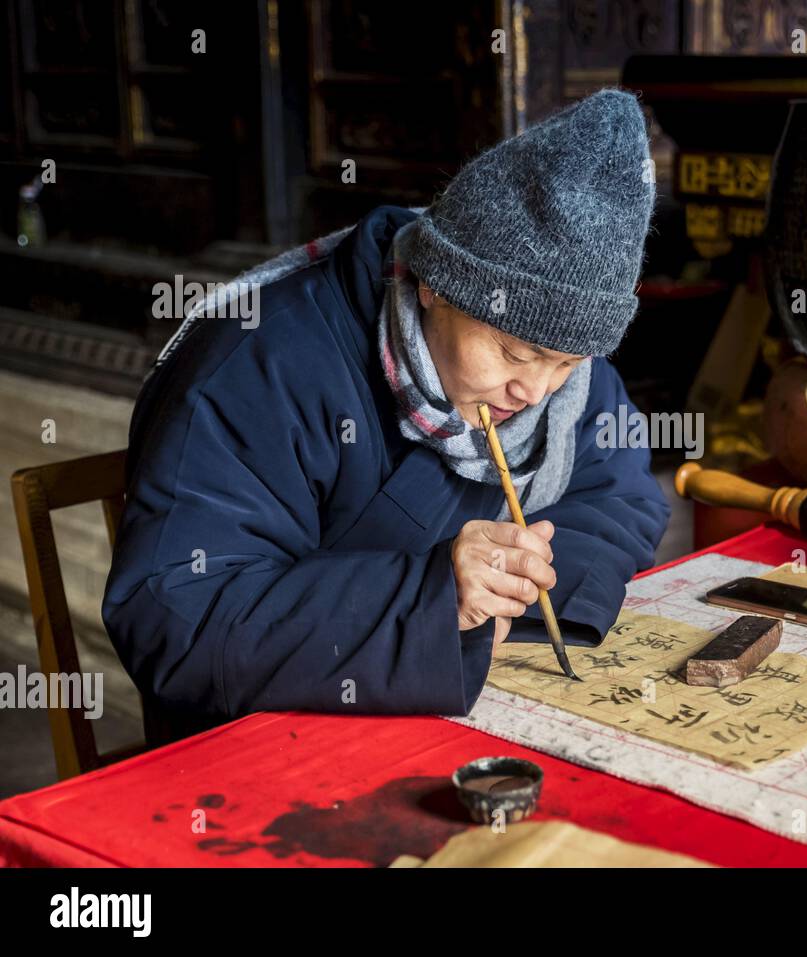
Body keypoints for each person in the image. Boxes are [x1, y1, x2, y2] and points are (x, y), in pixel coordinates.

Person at [103, 89, 669, 742]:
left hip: (456, 707)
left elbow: (620, 491)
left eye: (567, 365)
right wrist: (429, 597)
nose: (538, 390)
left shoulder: (556, 365)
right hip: (257, 745)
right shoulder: (262, 360)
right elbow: (176, 618)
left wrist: (521, 590)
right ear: (433, 283)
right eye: (517, 352)